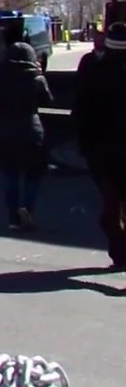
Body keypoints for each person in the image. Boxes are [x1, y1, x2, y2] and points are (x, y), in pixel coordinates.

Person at [0, 42, 55, 231]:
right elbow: (49, 101)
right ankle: (26, 208)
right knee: (33, 175)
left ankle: (13, 218)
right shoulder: (36, 79)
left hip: (4, 130)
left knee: (10, 176)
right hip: (31, 129)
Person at [73, 22, 126, 266]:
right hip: (108, 149)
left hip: (104, 152)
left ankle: (120, 250)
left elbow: (82, 112)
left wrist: (85, 146)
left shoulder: (94, 71)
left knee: (111, 203)